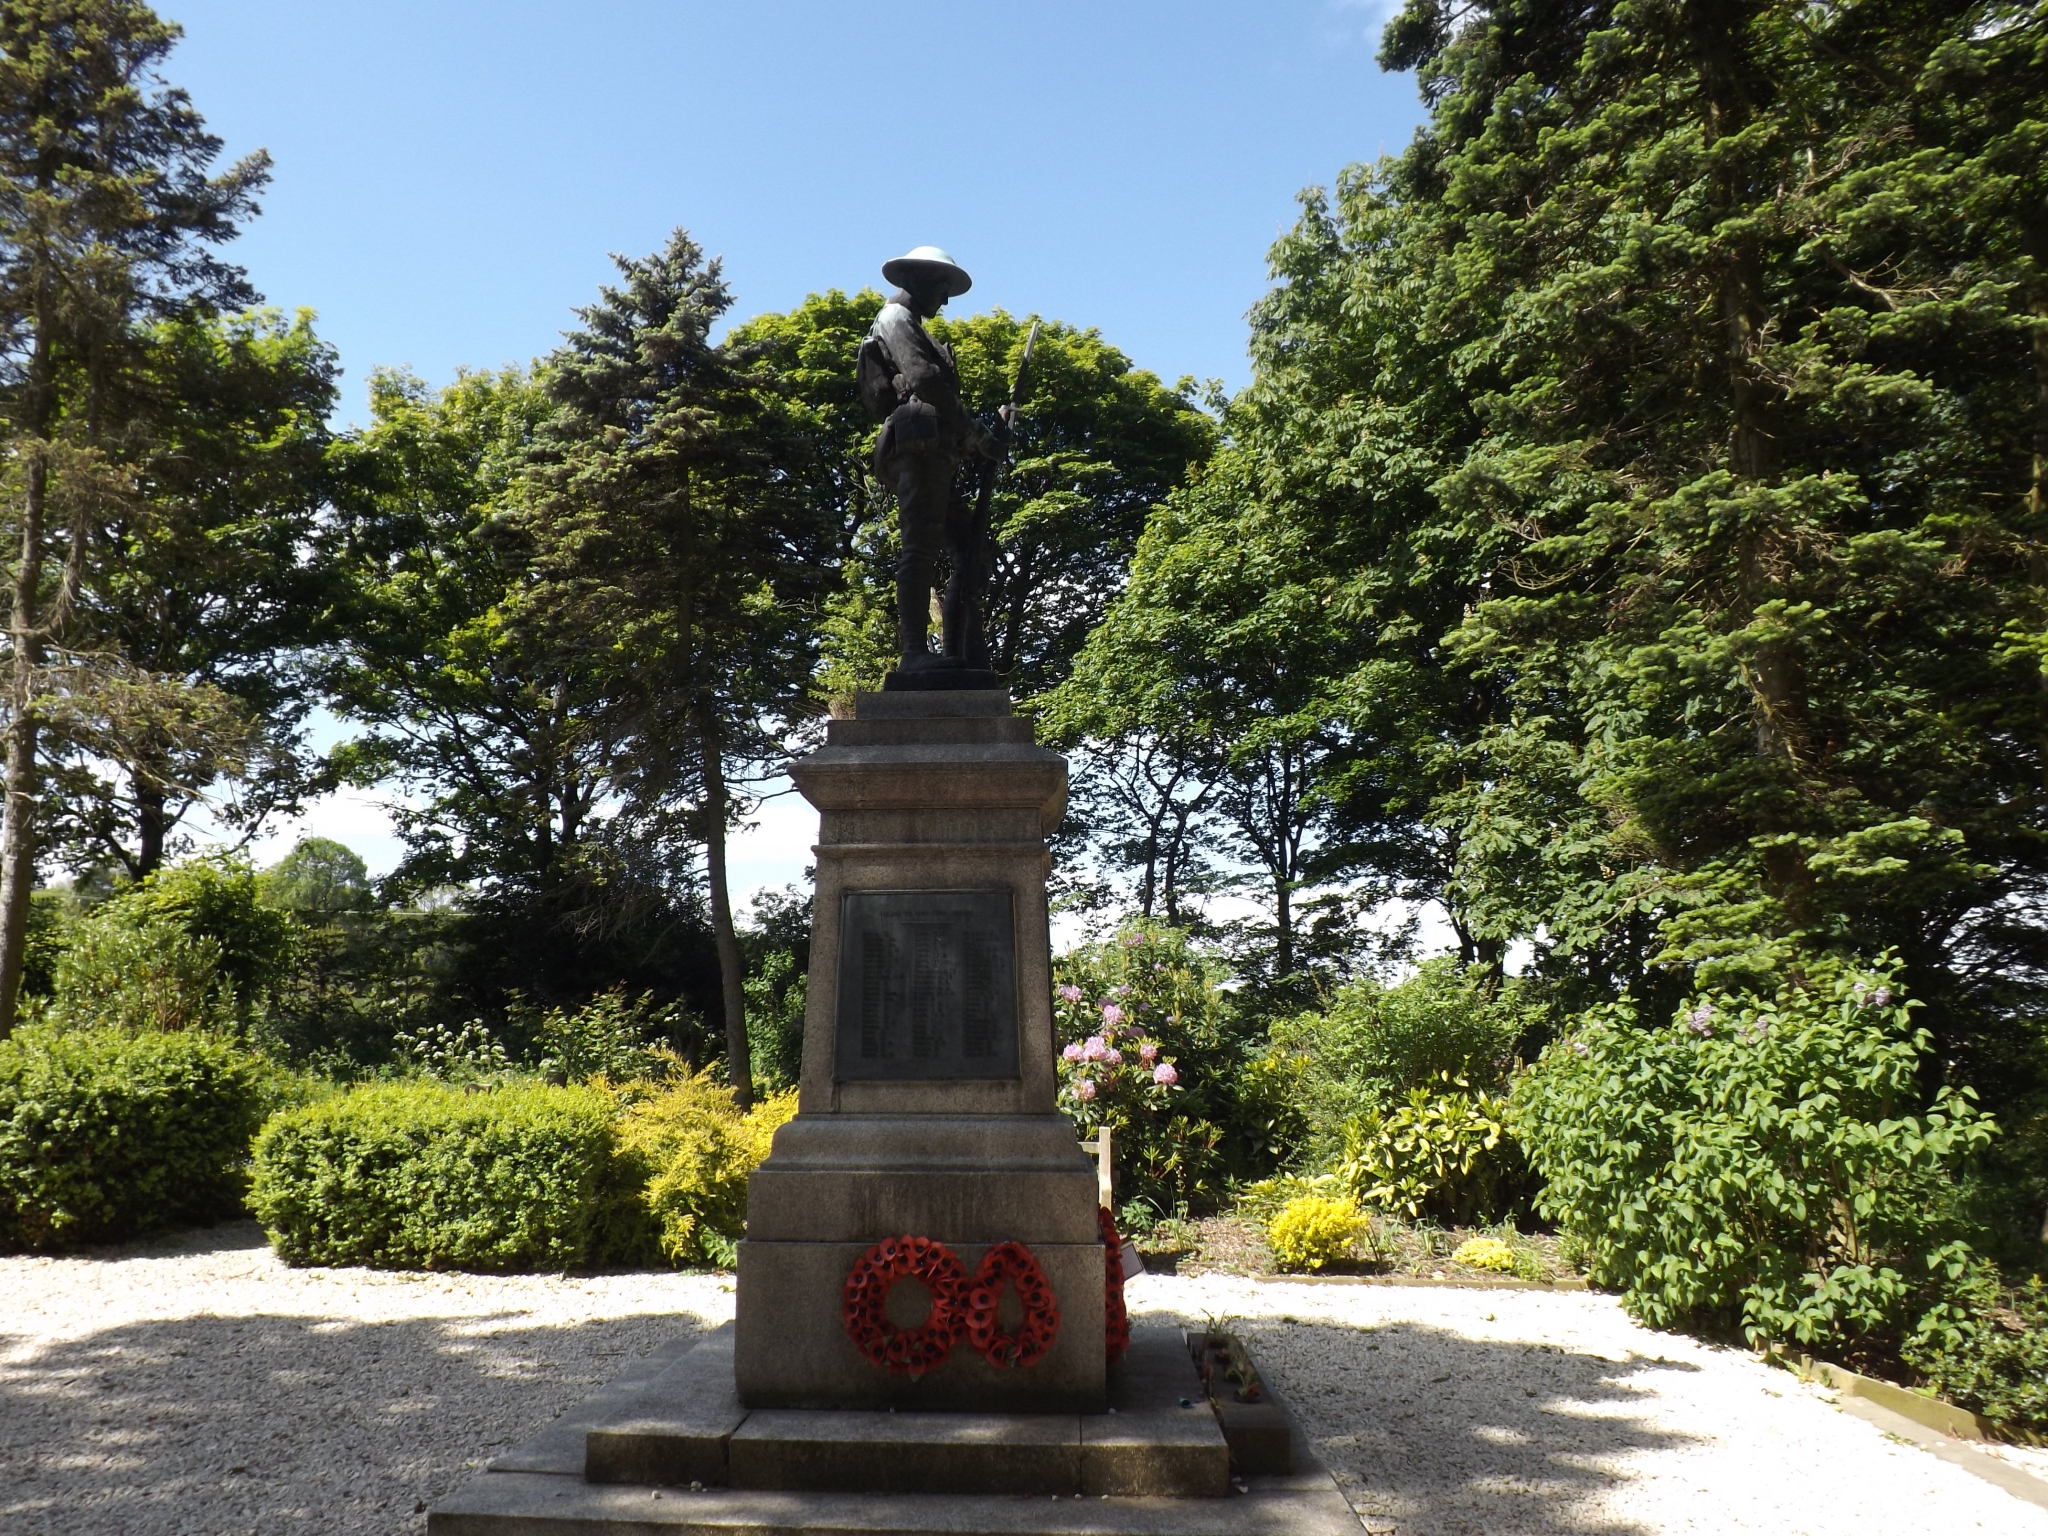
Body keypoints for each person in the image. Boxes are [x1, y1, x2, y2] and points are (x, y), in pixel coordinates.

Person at [861, 245, 1015, 673]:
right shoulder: (895, 318)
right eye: (942, 288)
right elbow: (925, 380)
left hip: (935, 448)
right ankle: (914, 653)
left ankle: (958, 651)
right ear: (919, 279)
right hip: (916, 446)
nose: (945, 300)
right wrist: (976, 432)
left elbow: (941, 403)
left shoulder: (914, 324)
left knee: (970, 546)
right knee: (921, 546)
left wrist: (985, 433)